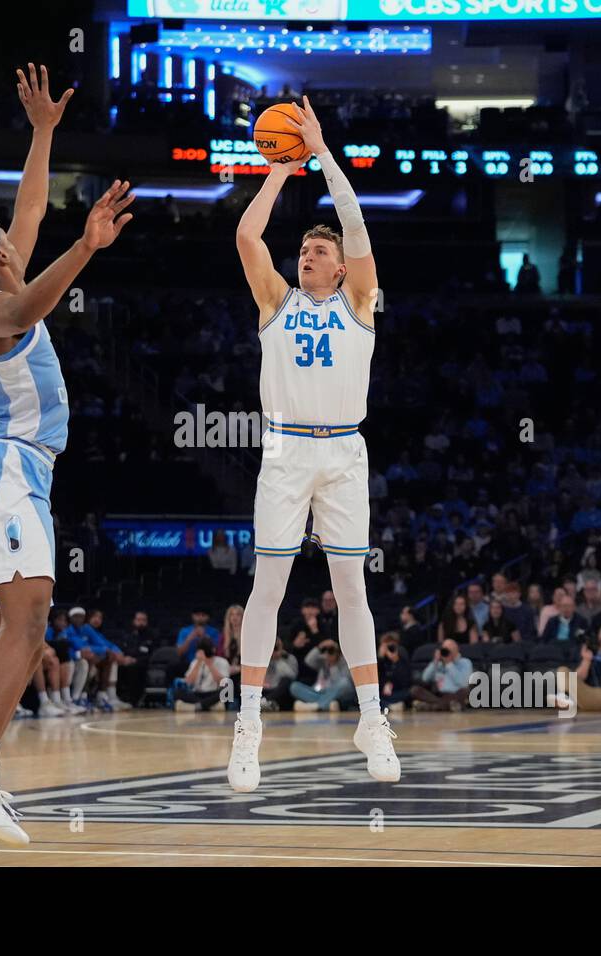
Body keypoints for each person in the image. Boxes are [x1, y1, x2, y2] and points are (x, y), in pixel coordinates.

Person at [0, 62, 135, 868]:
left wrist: (43, 131)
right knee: (30, 616)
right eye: (13, 242)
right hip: (6, 467)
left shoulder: (0, 278)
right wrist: (87, 245)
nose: (21, 236)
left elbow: (32, 205)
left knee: (31, 619)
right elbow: (33, 301)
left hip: (23, 470)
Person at [228, 96, 398, 793]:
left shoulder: (361, 300)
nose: (309, 255)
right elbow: (246, 238)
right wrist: (277, 166)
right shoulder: (275, 300)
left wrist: (322, 153)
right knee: (266, 588)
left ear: (340, 268)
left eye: (318, 251)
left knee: (350, 588)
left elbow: (355, 224)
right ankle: (247, 727)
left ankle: (371, 718)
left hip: (344, 454)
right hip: (286, 450)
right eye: (304, 249)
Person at [412, 638, 473, 711]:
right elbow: (425, 678)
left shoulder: (465, 662)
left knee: (465, 691)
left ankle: (431, 706)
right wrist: (435, 662)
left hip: (455, 694)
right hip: (438, 695)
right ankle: (445, 705)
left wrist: (449, 664)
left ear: (456, 650)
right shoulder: (439, 664)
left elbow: (463, 683)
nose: (446, 652)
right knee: (415, 690)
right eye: (444, 649)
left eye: (449, 650)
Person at [172, 637, 231, 712]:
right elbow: (189, 681)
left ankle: (194, 707)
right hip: (197, 693)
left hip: (213, 693)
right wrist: (198, 663)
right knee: (177, 692)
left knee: (226, 692)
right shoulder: (195, 662)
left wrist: (209, 664)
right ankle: (208, 706)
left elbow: (223, 683)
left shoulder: (222, 662)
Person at [376, 633, 413, 710]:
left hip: (398, 691)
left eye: (392, 646)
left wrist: (395, 660)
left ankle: (389, 706)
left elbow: (405, 681)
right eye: (387, 646)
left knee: (412, 692)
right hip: (383, 695)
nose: (390, 649)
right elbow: (377, 679)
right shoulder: (381, 661)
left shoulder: (402, 657)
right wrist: (380, 658)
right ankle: (390, 706)